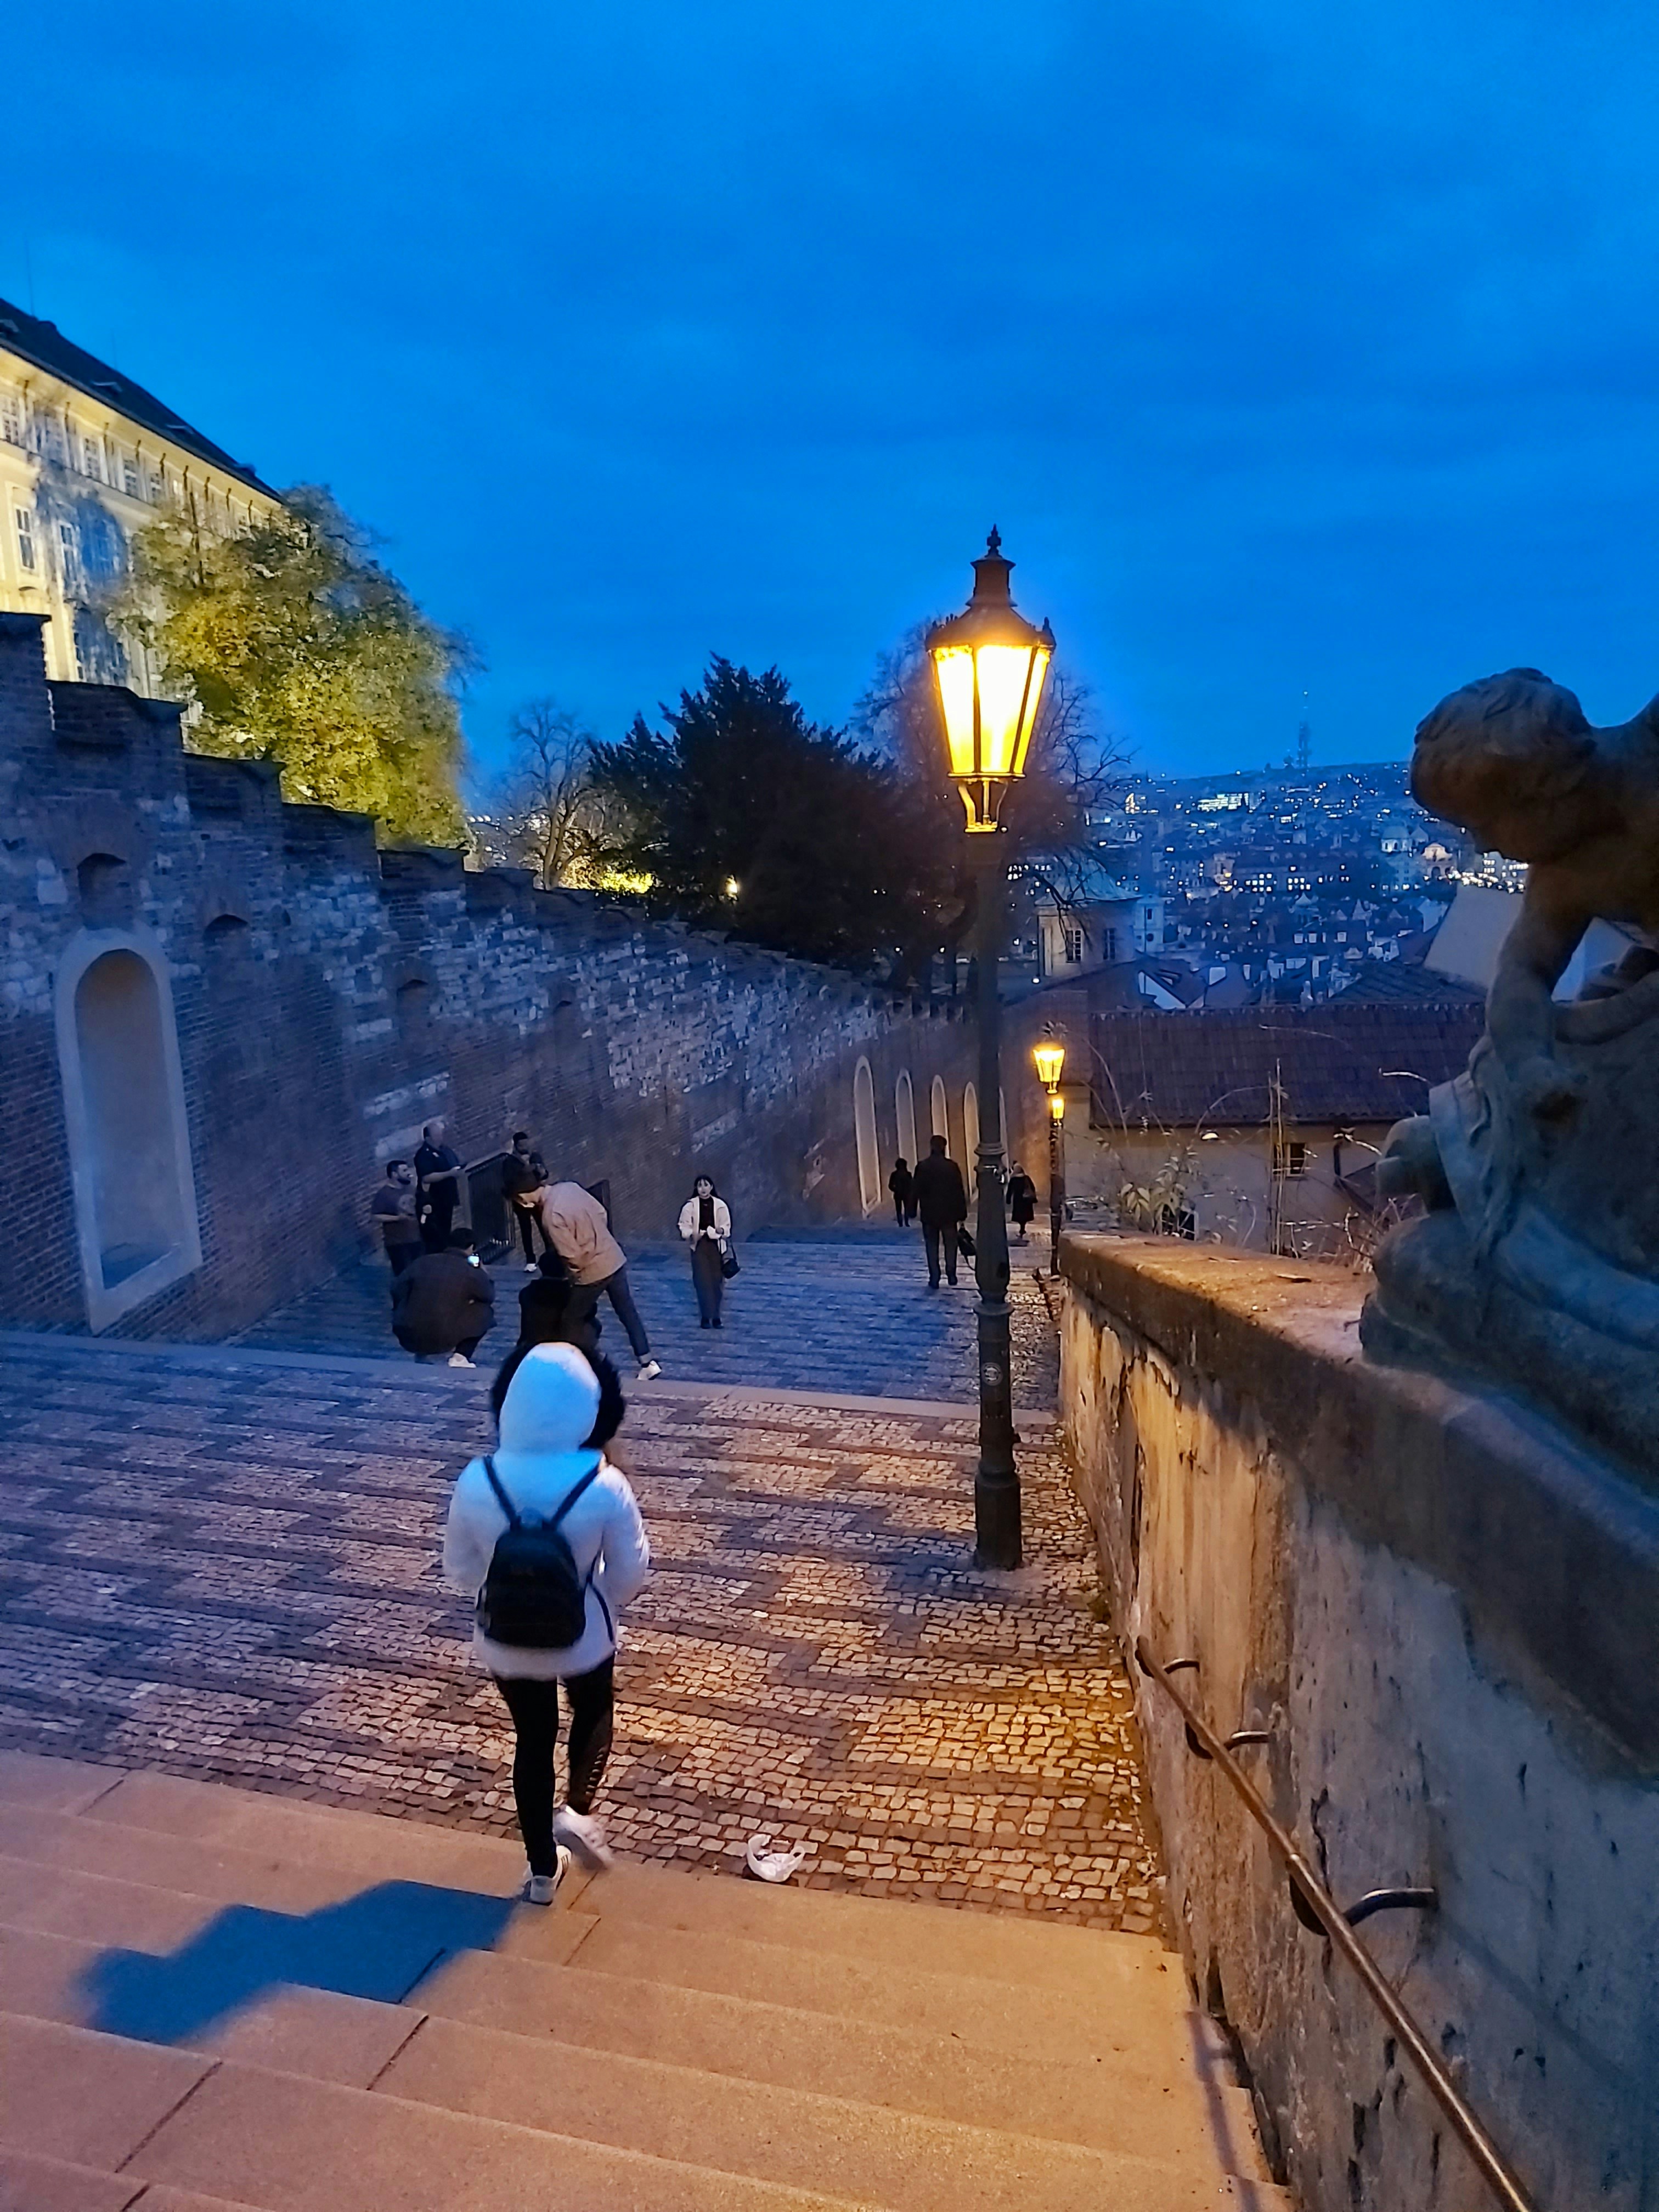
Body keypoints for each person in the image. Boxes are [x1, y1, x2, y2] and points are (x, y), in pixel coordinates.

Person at [444, 1342, 651, 1900]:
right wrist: (593, 1591)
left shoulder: (477, 1477)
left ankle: (541, 1873)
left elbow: (461, 1572)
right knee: (593, 1707)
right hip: (582, 1634)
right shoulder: (604, 1483)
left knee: (532, 1739)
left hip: (505, 1637)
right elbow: (632, 1573)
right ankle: (578, 1811)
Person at [537, 1180, 661, 1380]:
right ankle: (647, 1361)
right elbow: (601, 1212)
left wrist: (575, 1273)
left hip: (592, 1270)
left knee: (571, 1318)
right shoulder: (571, 1187)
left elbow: (573, 1257)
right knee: (627, 1311)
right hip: (613, 1257)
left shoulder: (551, 1214)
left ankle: (573, 1367)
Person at [391, 1224, 496, 1366]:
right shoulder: (470, 1271)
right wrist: (483, 1273)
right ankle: (461, 1356)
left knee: (423, 1302)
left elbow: (397, 1288)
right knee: (485, 1311)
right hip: (443, 1336)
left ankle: (422, 1354)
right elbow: (488, 1296)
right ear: (471, 1247)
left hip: (407, 1333)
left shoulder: (423, 1261)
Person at [911, 1133, 968, 1289]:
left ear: (931, 1147)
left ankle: (934, 1276)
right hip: (949, 1214)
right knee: (951, 1244)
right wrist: (962, 1213)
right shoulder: (952, 1167)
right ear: (944, 1147)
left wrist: (911, 1209)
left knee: (932, 1245)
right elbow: (959, 1191)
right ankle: (951, 1272)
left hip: (929, 1214)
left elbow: (916, 1190)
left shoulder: (922, 1167)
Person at [677, 1174, 733, 1328]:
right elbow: (684, 1226)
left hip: (716, 1245)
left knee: (717, 1280)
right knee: (702, 1281)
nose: (703, 1189)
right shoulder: (690, 1206)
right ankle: (706, 1316)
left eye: (706, 1185)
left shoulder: (720, 1205)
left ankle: (716, 1315)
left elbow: (727, 1227)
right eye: (700, 1186)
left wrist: (720, 1230)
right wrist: (692, 1234)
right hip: (700, 1244)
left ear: (711, 1187)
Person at [500, 1130, 551, 1270]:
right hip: (520, 1200)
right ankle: (530, 1260)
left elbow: (544, 1174)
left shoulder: (535, 1157)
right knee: (526, 1230)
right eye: (521, 1145)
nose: (525, 1147)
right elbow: (508, 1181)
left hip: (537, 1197)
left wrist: (542, 1172)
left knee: (545, 1226)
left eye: (526, 1144)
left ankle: (551, 1255)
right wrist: (524, 1171)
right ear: (516, 1146)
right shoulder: (509, 1162)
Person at [414, 1119, 465, 1254]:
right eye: (437, 1136)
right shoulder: (423, 1155)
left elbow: (455, 1164)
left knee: (446, 1228)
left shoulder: (446, 1150)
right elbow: (427, 1177)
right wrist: (449, 1173)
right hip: (434, 1201)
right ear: (428, 1138)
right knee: (435, 1234)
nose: (440, 1138)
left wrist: (458, 1171)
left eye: (441, 1135)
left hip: (448, 1199)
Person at [370, 1160, 421, 1276]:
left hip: (416, 1238)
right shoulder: (384, 1194)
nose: (408, 1173)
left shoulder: (410, 1188)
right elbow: (375, 1216)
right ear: (394, 1174)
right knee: (403, 1274)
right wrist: (397, 1218)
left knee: (418, 1271)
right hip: (398, 1242)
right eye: (404, 1171)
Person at [1007, 1164, 1037, 1244]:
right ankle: (1022, 1228)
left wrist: (1008, 1200)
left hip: (1018, 1200)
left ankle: (1022, 1228)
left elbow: (1010, 1191)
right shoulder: (1026, 1178)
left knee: (1020, 1215)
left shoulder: (1014, 1180)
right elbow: (1032, 1188)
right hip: (1026, 1201)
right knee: (1025, 1216)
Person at [888, 1158, 915, 1227]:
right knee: (906, 1208)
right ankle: (906, 1222)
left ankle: (901, 1223)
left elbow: (890, 1185)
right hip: (905, 1194)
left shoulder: (894, 1174)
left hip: (899, 1194)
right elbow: (911, 1184)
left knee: (899, 1209)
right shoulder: (908, 1174)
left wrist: (895, 1190)